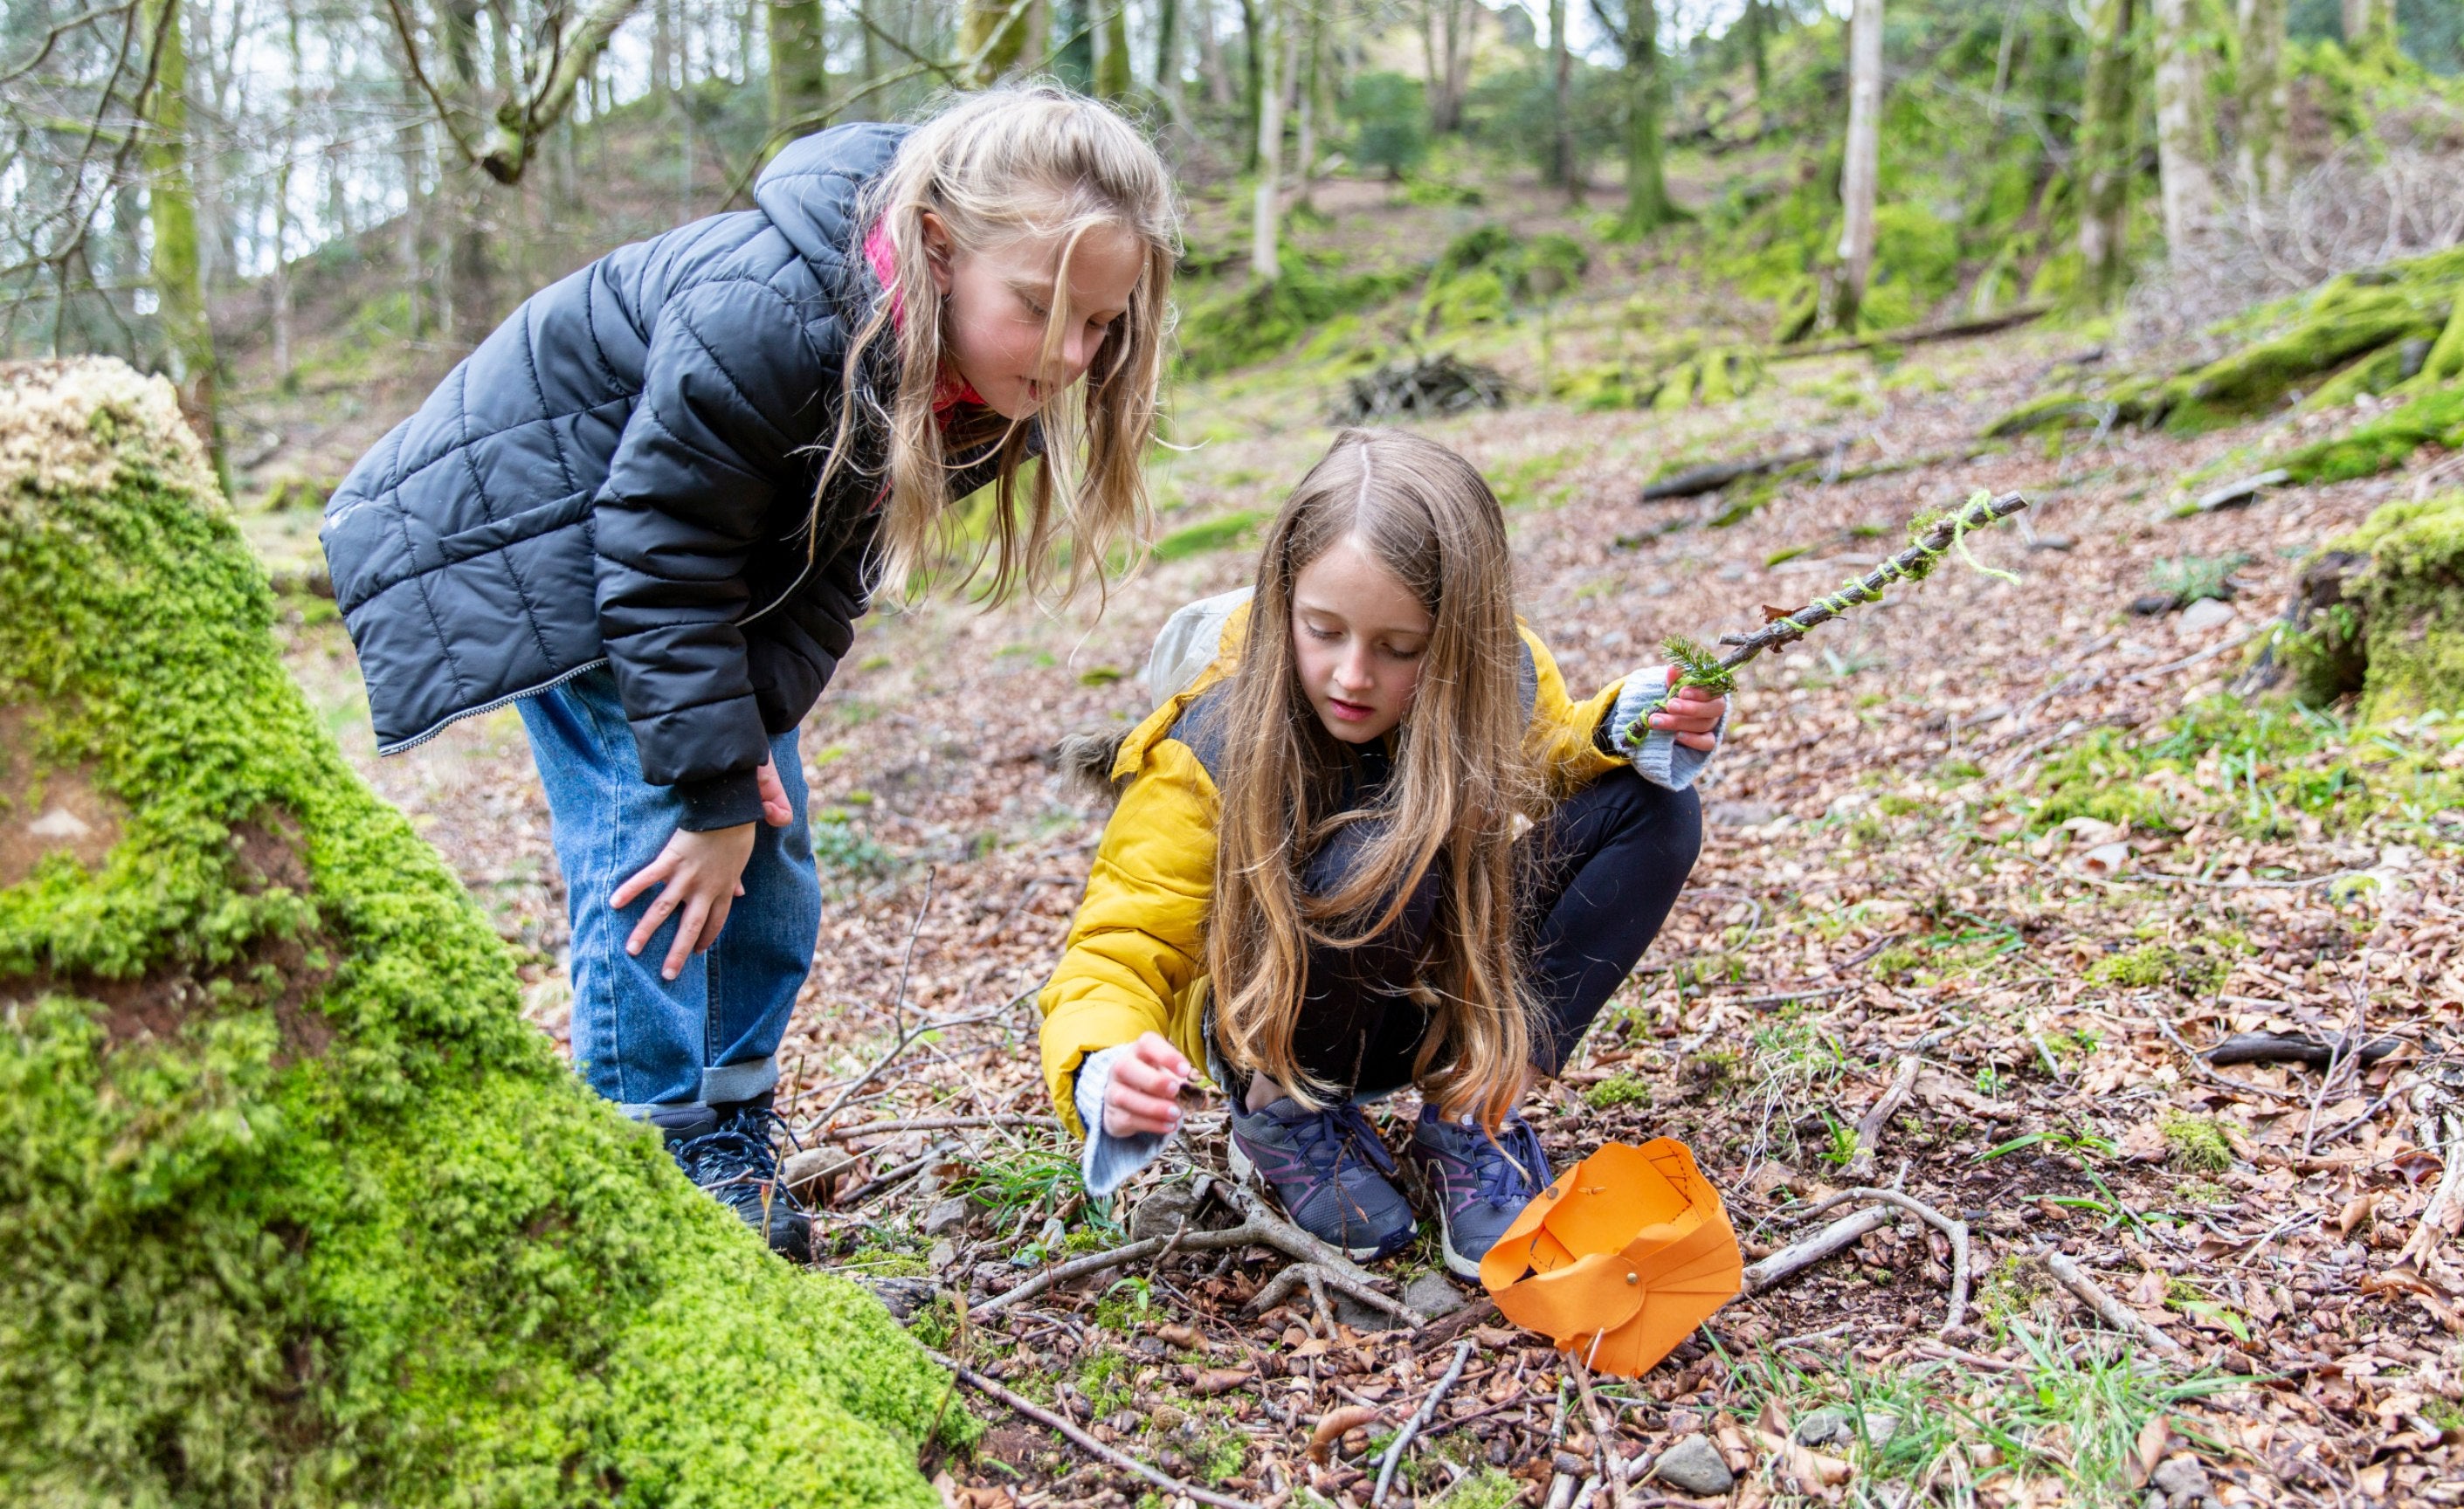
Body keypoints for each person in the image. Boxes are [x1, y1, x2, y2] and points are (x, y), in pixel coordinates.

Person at [321, 83, 1177, 1261]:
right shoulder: (774, 318)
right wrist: (709, 792)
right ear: (938, 247)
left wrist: (748, 765)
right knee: (654, 854)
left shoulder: (979, 375)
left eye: (1101, 325)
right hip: (556, 544)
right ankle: (645, 1166)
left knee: (770, 865)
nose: (1074, 355)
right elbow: (659, 547)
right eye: (1042, 309)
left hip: (682, 576)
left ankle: (726, 1135)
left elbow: (825, 570)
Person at [1037, 430, 1727, 1279]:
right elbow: (1116, 947)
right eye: (1323, 632)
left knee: (1654, 808)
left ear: (1457, 634)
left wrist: (1624, 727)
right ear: (1284, 599)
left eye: (1399, 649)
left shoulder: (1496, 674)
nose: (1352, 676)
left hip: (1434, 979)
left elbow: (1544, 758)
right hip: (1289, 1009)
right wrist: (1103, 1063)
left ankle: (1477, 1103)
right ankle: (1281, 1117)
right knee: (1385, 847)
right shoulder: (1212, 743)